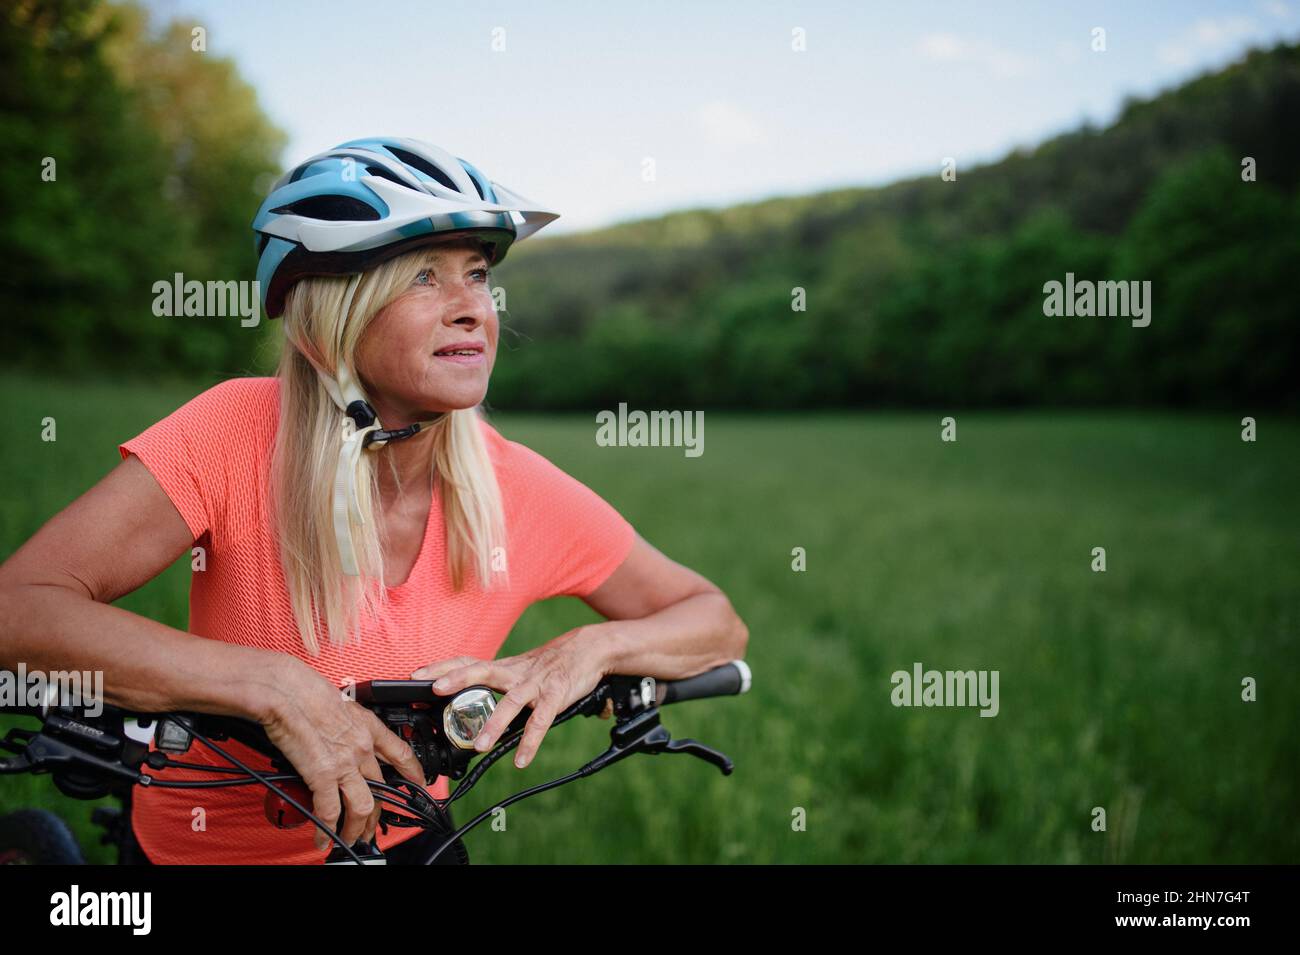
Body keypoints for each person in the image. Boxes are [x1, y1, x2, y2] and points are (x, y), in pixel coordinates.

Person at [0, 137, 749, 864]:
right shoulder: (232, 431)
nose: (471, 308)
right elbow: (19, 608)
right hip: (197, 851)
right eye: (424, 276)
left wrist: (584, 651)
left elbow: (714, 618)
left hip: (411, 840)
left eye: (478, 275)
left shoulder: (515, 486)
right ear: (335, 316)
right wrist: (270, 685)